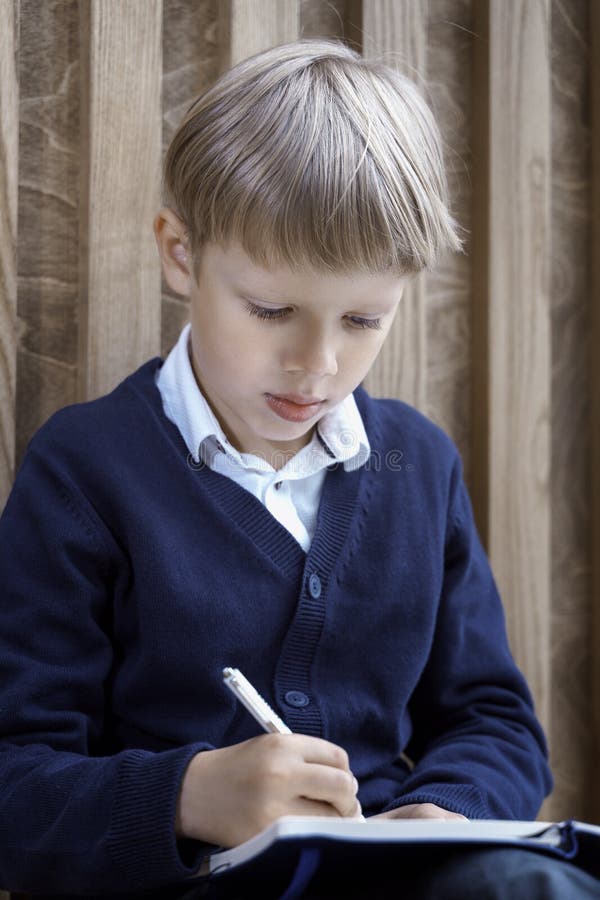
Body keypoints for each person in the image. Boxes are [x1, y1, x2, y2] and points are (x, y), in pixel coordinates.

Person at [0, 38, 597, 900]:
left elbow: (494, 722)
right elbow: (15, 782)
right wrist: (189, 796)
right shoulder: (87, 472)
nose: (316, 365)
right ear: (181, 253)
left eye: (363, 319)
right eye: (271, 310)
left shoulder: (417, 465)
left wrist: (447, 813)